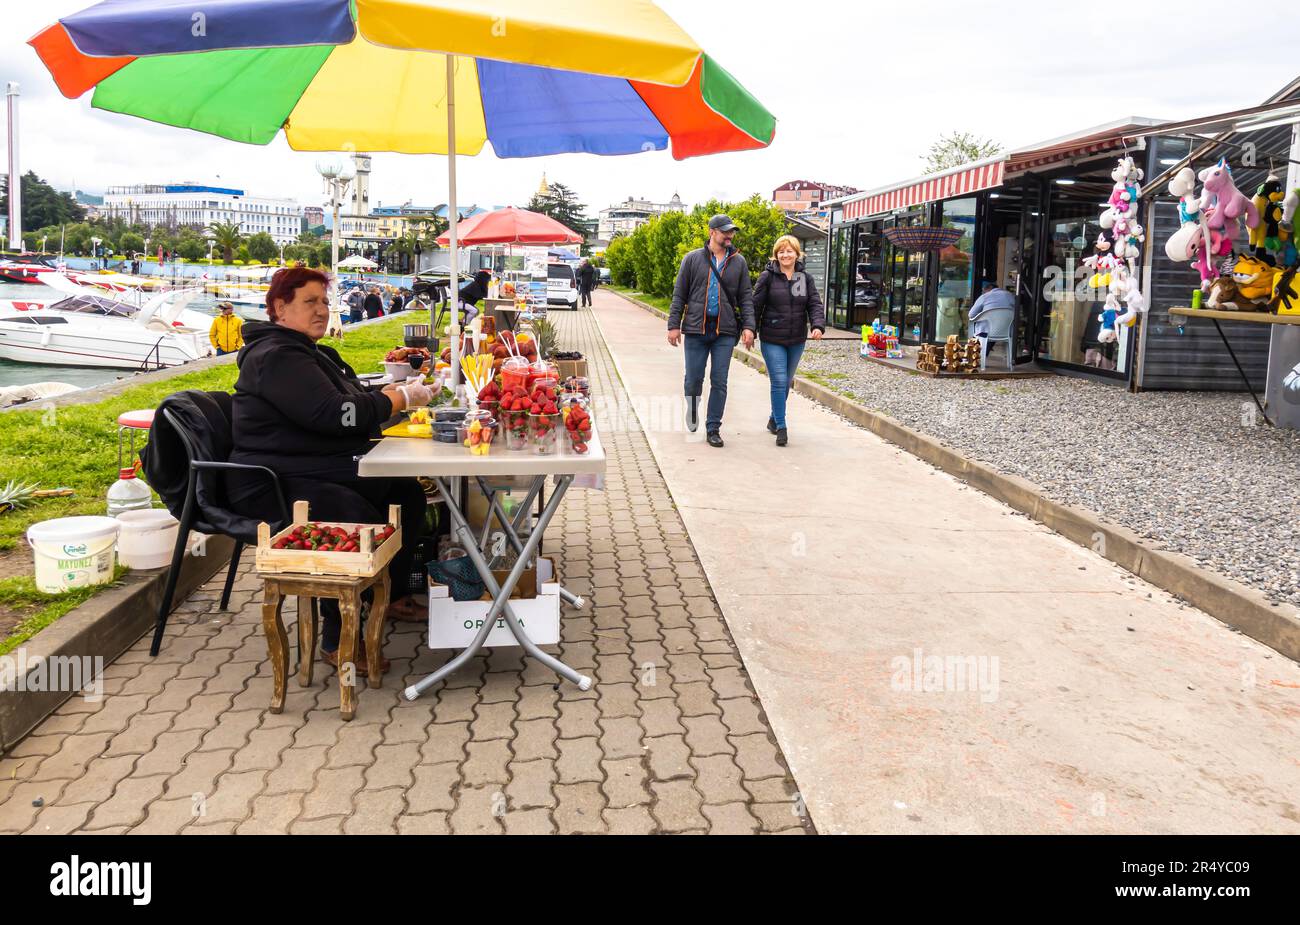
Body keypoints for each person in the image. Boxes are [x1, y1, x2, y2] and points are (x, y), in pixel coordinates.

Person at [228, 267, 432, 672]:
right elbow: (335, 414)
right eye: (310, 302)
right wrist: (400, 399)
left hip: (315, 467)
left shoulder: (309, 352)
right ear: (279, 308)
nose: (321, 310)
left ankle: (383, 598)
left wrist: (394, 392)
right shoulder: (276, 357)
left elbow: (353, 398)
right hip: (274, 481)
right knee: (352, 515)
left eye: (324, 301)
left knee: (407, 494)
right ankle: (336, 638)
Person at [667, 214, 756, 448]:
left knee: (719, 380)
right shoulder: (692, 259)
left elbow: (746, 297)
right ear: (712, 232)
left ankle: (713, 427)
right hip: (696, 330)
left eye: (732, 232)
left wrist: (749, 327)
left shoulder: (739, 262)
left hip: (724, 332)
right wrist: (673, 325)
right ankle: (693, 408)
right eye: (725, 231)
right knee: (693, 379)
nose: (729, 235)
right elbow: (679, 294)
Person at [752, 235, 825, 447]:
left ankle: (774, 418)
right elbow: (756, 305)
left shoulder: (804, 278)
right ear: (776, 255)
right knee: (779, 381)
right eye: (781, 251)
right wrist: (750, 329)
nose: (785, 255)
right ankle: (782, 427)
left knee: (786, 382)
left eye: (789, 251)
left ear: (797, 254)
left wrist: (817, 325)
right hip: (772, 337)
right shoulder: (768, 277)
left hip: (796, 338)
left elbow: (814, 303)